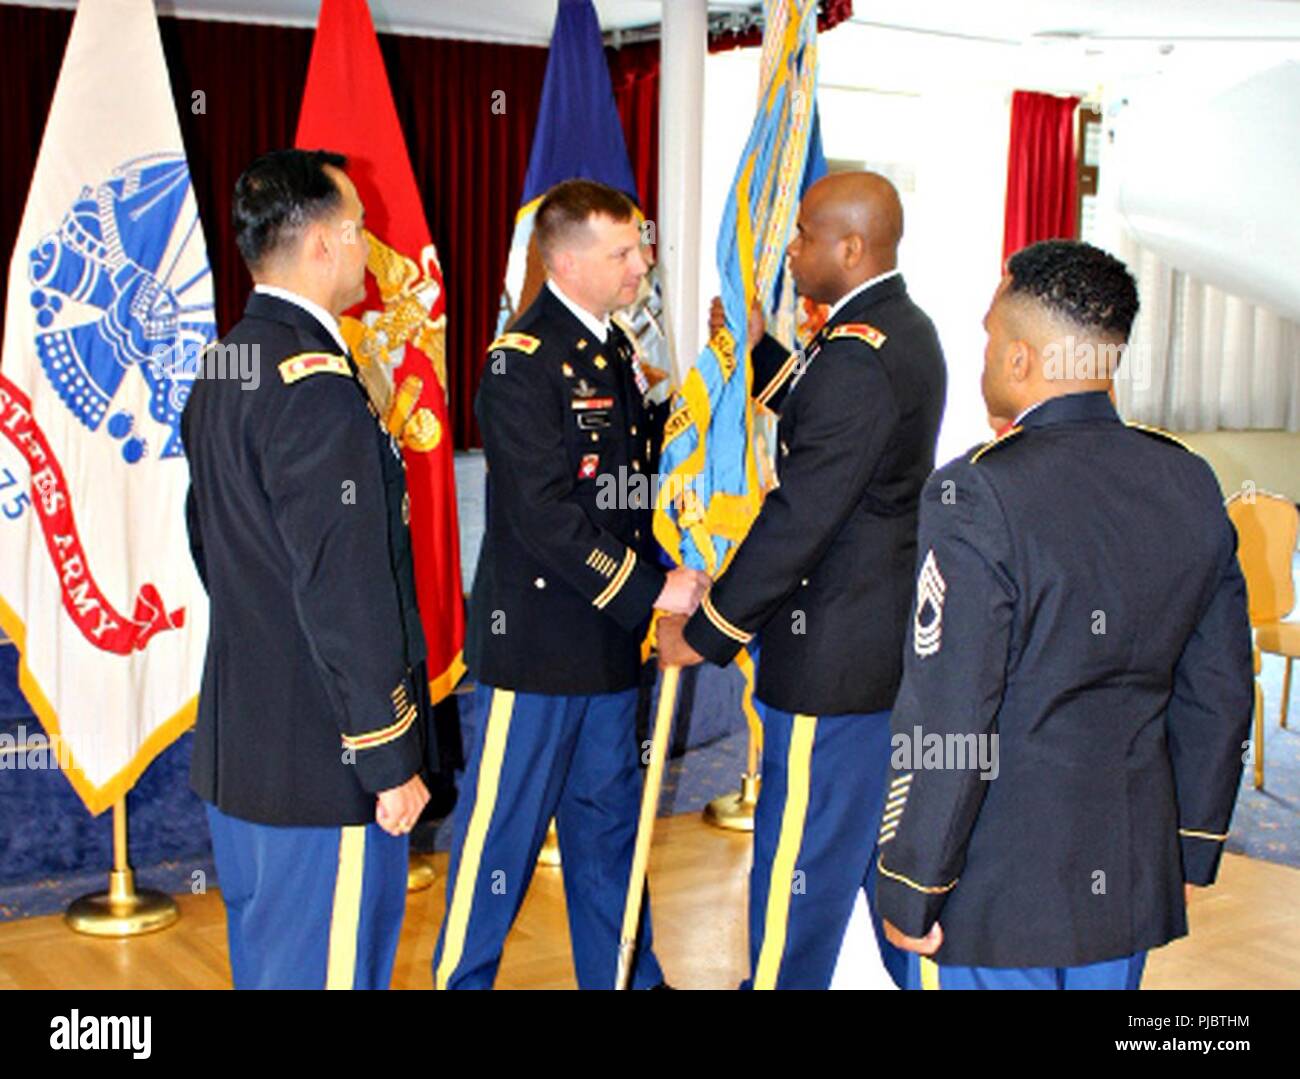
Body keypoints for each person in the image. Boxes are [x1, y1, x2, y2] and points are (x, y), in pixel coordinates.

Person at [876, 239, 1253, 990]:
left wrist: (913, 879)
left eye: (989, 339)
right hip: (1130, 865)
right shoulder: (1187, 478)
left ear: (1020, 359)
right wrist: (1190, 845)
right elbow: (1220, 690)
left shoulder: (976, 494)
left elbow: (951, 710)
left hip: (994, 881)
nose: (983, 358)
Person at [658, 171, 947, 989]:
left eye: (807, 234)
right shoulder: (894, 330)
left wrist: (706, 630)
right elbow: (835, 429)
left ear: (852, 247)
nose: (793, 249)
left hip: (831, 664)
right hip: (874, 655)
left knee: (796, 873)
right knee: (876, 863)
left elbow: (799, 518)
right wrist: (757, 349)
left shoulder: (861, 354)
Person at [432, 179, 708, 990]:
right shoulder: (521, 360)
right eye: (622, 251)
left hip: (605, 647)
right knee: (501, 842)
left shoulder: (612, 347)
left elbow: (631, 473)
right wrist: (651, 589)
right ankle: (461, 981)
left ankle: (626, 976)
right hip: (540, 649)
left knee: (610, 830)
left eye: (639, 246)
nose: (641, 263)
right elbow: (547, 515)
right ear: (566, 259)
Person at [182, 149, 431, 990]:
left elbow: (209, 539)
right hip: (323, 759)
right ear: (323, 244)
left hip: (245, 742)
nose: (370, 248)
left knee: (272, 968)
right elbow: (344, 589)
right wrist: (388, 754)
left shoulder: (227, 363)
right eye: (359, 229)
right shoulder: (318, 387)